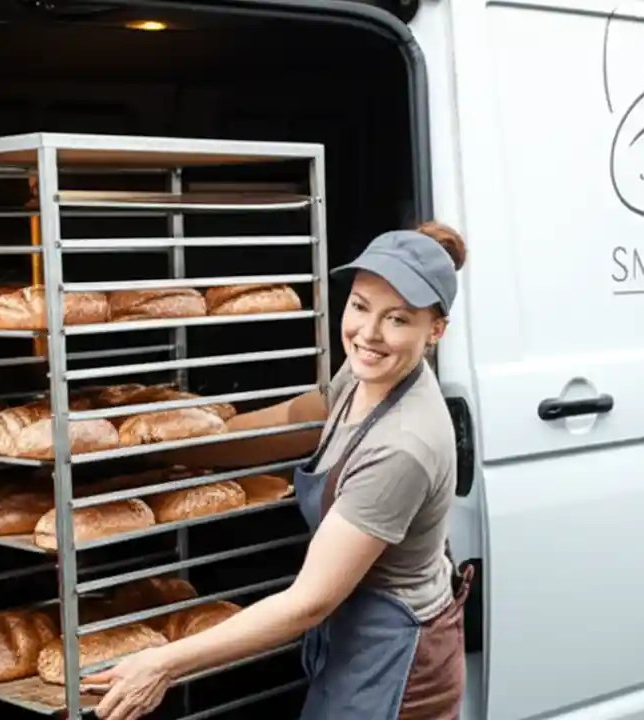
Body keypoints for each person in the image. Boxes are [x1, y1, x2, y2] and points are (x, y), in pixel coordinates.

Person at [86, 221, 473, 720]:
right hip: (356, 639)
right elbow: (298, 418)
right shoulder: (369, 370)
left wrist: (162, 664)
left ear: (435, 331)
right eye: (360, 306)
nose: (369, 333)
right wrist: (178, 447)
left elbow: (308, 603)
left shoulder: (403, 447)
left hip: (397, 665)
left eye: (397, 319)